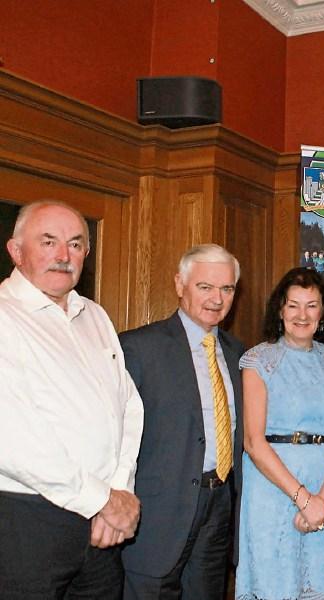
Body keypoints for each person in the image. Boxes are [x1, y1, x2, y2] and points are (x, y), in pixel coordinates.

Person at [0, 200, 143, 598]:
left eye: (76, 244)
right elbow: (12, 439)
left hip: (100, 527)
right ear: (16, 250)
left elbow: (128, 407)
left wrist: (119, 490)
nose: (64, 256)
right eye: (49, 242)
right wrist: (101, 500)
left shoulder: (95, 316)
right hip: (25, 522)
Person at [118, 244, 244, 599]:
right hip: (157, 515)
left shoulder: (239, 355)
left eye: (227, 288)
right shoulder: (139, 348)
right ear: (180, 284)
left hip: (219, 509)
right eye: (205, 287)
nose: (217, 299)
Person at [236, 267, 324, 600]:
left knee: (321, 585)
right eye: (293, 305)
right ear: (280, 310)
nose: (302, 315)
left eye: (311, 305)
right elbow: (253, 442)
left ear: (323, 312)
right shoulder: (257, 361)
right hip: (273, 489)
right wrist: (304, 500)